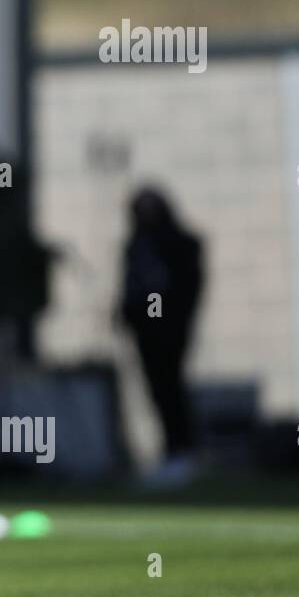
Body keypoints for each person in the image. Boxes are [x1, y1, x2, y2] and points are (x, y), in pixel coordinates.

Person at [119, 186, 204, 485]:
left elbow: (187, 287)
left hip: (171, 331)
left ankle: (183, 452)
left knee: (171, 389)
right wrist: (127, 314)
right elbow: (131, 288)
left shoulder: (180, 243)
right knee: (155, 390)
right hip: (146, 333)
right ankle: (170, 452)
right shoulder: (136, 245)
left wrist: (173, 320)